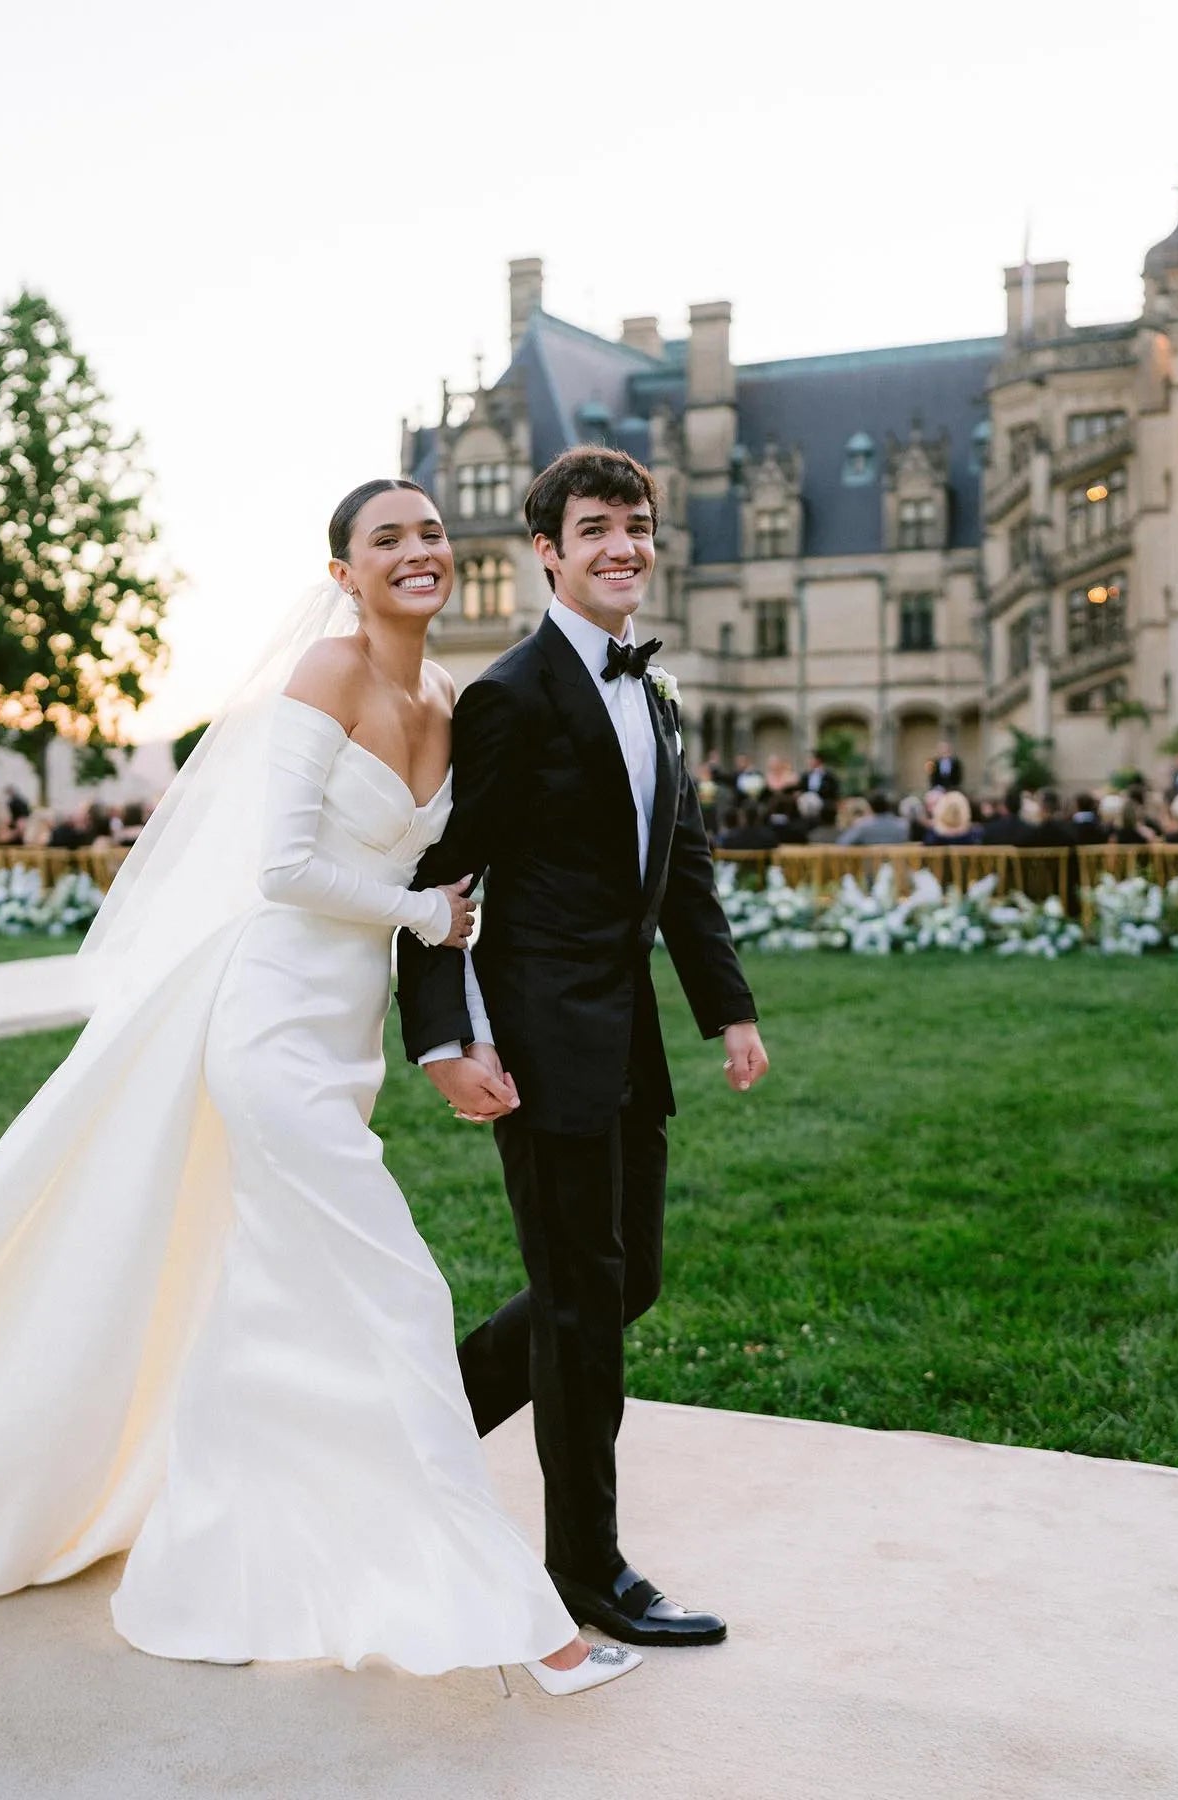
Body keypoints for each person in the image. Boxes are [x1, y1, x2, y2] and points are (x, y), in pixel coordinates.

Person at [0, 479, 637, 1700]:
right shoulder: (325, 675)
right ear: (343, 573)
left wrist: (460, 1003)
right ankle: (526, 1622)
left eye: (432, 532)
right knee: (398, 1294)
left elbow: (456, 879)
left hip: (344, 1040)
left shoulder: (448, 695)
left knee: (267, 1306)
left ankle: (214, 1563)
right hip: (270, 1023)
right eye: (387, 538)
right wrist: (422, 913)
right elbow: (283, 868)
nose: (419, 551)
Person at [397, 446, 768, 1652]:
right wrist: (447, 1037)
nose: (624, 546)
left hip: (628, 1040)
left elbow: (684, 866)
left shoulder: (655, 693)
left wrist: (728, 1008)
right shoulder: (509, 695)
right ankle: (588, 1571)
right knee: (578, 1306)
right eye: (596, 527)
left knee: (620, 1285)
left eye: (638, 524)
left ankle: (417, 1432)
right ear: (546, 552)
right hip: (538, 1043)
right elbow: (444, 875)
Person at [836, 791, 910, 846]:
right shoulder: (903, 825)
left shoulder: (862, 825)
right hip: (897, 862)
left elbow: (843, 843)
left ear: (871, 807)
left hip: (869, 862)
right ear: (888, 806)